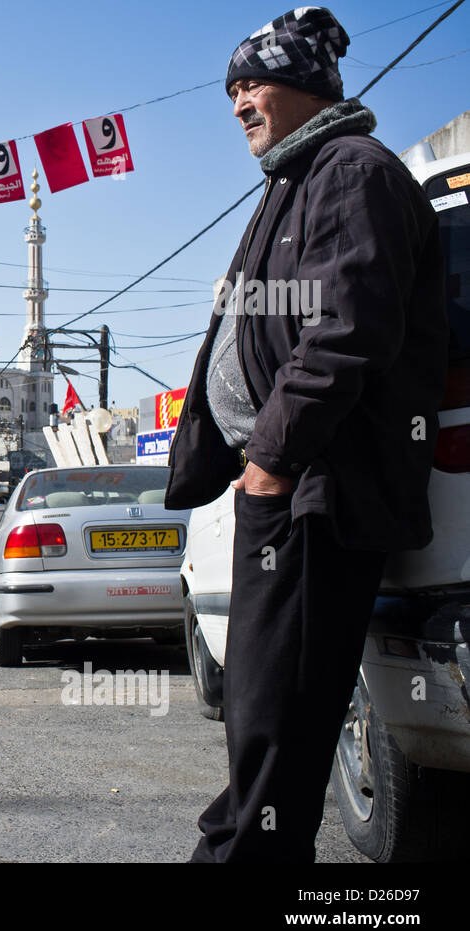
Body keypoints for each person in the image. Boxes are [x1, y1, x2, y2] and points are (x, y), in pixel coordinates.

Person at [165, 6, 447, 862]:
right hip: (283, 490)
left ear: (305, 84)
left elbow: (345, 330)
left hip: (317, 490)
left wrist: (272, 463)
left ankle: (243, 855)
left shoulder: (352, 172)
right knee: (260, 703)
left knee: (277, 708)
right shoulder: (292, 182)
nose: (239, 101)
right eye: (232, 89)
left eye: (253, 82)